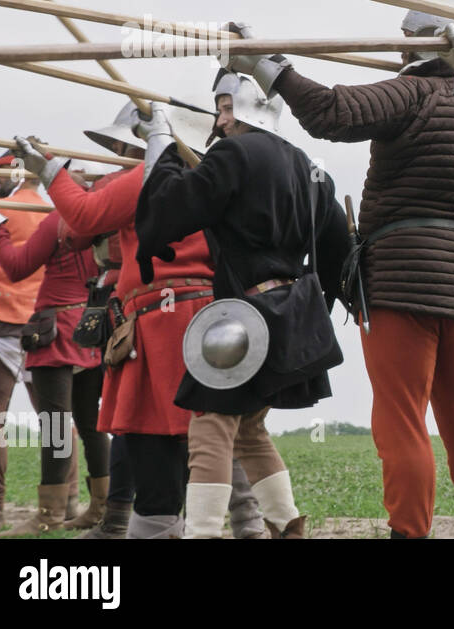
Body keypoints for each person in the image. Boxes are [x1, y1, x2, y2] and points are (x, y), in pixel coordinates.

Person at [221, 7, 454, 539]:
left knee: (401, 419)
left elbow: (331, 112)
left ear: (421, 45)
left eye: (404, 41)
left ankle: (409, 534)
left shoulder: (414, 92)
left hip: (401, 279)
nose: (397, 49)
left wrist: (263, 64)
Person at [135, 72, 348, 539]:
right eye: (219, 108)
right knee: (249, 428)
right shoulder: (311, 167)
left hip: (245, 316)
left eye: (229, 107)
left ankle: (204, 533)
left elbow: (170, 209)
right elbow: (338, 250)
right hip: (291, 313)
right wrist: (317, 310)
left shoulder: (232, 154)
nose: (221, 119)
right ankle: (287, 528)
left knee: (210, 425)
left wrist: (163, 143)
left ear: (255, 108)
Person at [14, 111, 214, 538]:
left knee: (151, 432)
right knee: (194, 432)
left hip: (143, 320)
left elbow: (74, 226)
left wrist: (47, 170)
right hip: (176, 315)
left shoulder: (150, 176)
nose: (117, 156)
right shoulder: (209, 173)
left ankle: (140, 522)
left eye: (123, 147)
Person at [0, 162, 109, 536]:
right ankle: (75, 506)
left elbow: (13, 263)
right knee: (78, 422)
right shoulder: (92, 218)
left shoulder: (24, 213)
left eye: (0, 173)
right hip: (76, 326)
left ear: (15, 175)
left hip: (27, 326)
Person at [0, 155, 49, 528]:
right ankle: (59, 508)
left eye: (0, 173)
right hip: (45, 325)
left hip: (0, 325)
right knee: (58, 421)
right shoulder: (57, 210)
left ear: (12, 174)